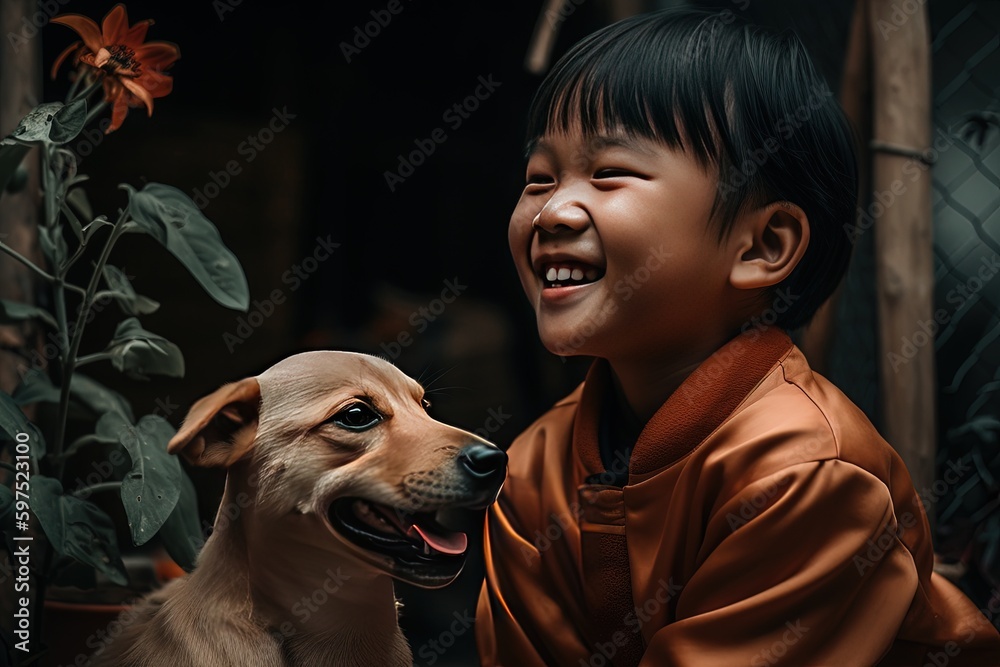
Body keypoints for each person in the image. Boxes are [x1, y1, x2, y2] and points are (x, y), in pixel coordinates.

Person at [476, 9, 1000, 666]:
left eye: (610, 172)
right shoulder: (533, 465)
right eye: (539, 178)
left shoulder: (809, 476)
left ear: (763, 245)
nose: (552, 210)